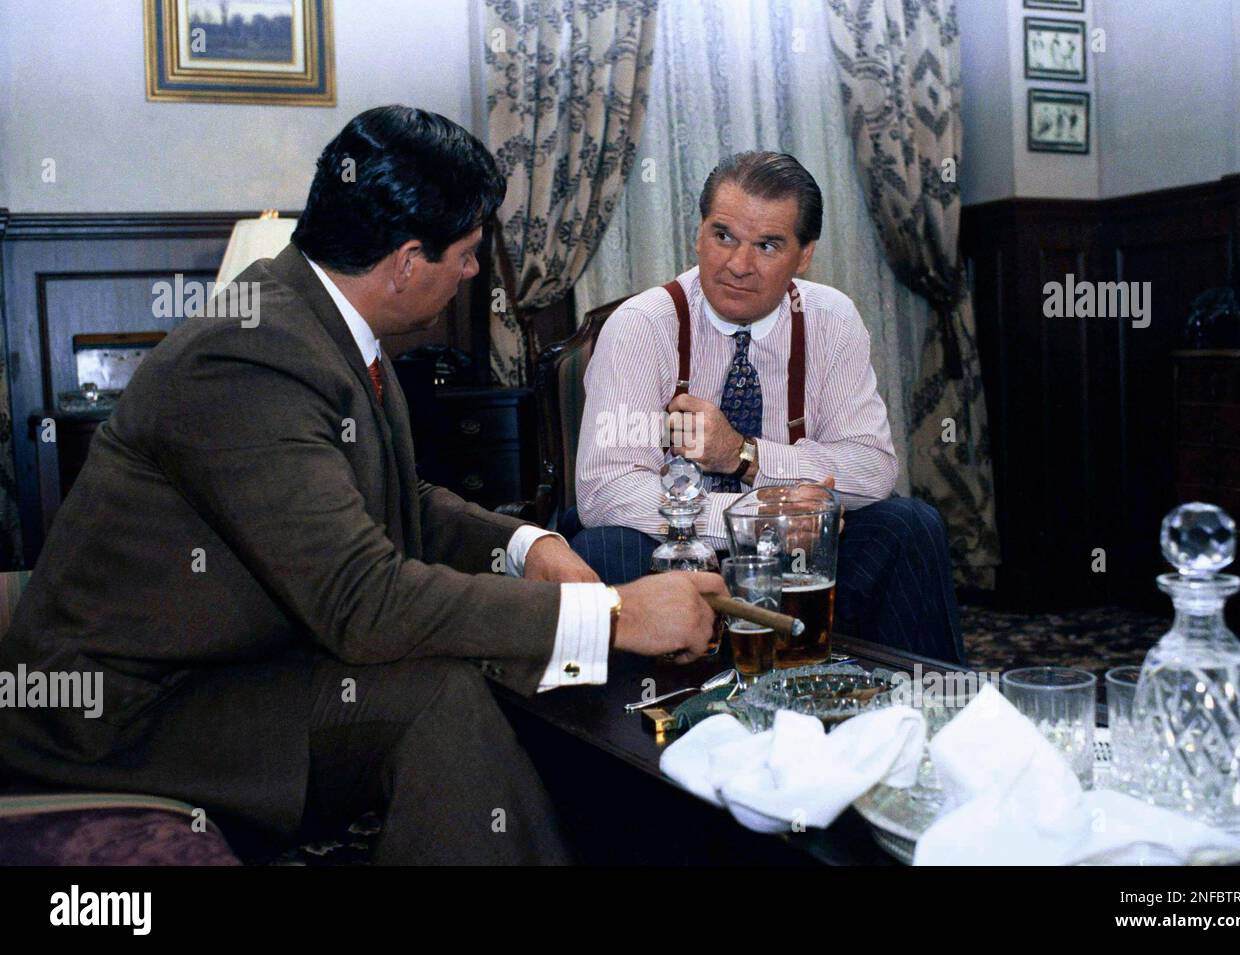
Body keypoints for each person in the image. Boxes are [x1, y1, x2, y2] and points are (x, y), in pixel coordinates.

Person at [0, 106, 725, 865]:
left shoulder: (317, 324)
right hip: (126, 713)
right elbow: (362, 602)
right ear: (408, 260)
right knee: (435, 699)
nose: (475, 272)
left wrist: (527, 543)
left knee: (491, 676)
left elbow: (400, 501)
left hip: (234, 667)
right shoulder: (247, 357)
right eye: (470, 254)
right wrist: (609, 613)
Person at [570, 151, 964, 665]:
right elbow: (605, 492)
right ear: (699, 233)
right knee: (604, 549)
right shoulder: (642, 325)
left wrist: (747, 456)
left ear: (803, 256)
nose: (738, 264)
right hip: (686, 552)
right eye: (723, 236)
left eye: (768, 245)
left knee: (910, 525)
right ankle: (638, 738)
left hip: (802, 555)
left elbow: (873, 468)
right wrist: (758, 522)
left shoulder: (831, 318)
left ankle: (927, 717)